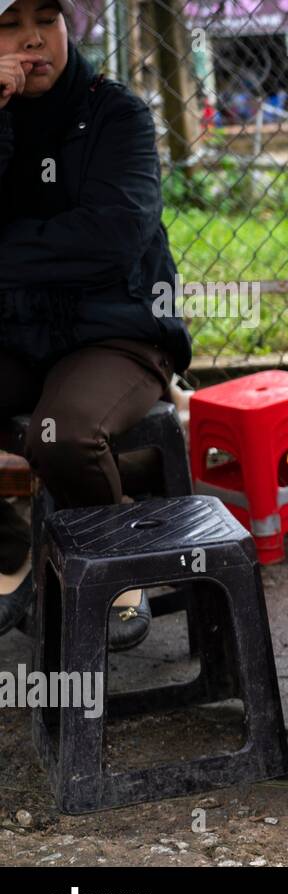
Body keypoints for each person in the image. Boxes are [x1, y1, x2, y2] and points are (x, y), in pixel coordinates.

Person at [0, 0, 193, 648]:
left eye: (45, 18)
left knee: (64, 437)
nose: (32, 39)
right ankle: (15, 554)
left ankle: (118, 573)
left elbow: (113, 236)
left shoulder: (118, 114)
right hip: (20, 331)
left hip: (119, 328)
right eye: (9, 25)